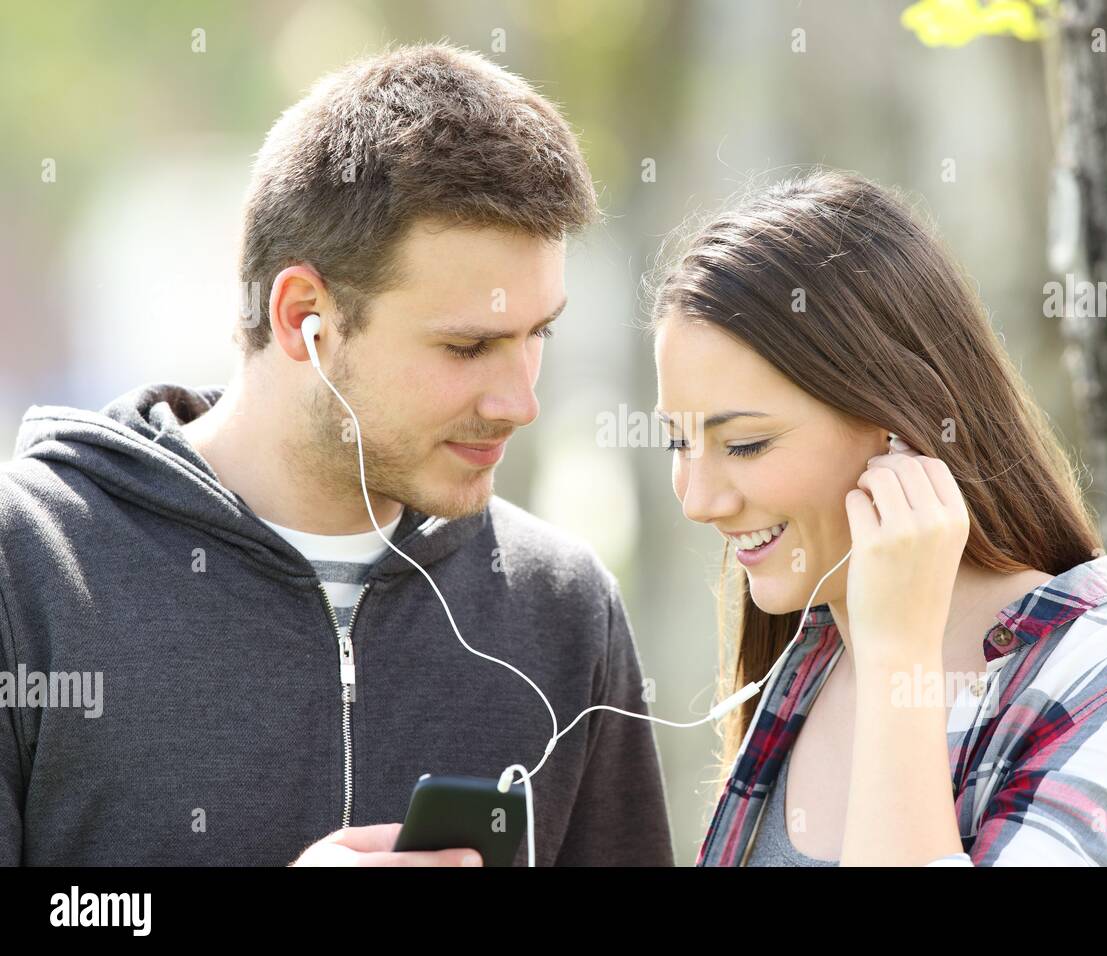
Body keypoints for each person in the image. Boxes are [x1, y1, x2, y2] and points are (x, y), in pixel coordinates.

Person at [0, 42, 673, 867]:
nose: (520, 403)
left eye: (538, 334)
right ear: (302, 316)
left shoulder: (563, 608)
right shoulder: (27, 567)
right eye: (468, 346)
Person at [648, 168, 1107, 866]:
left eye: (744, 444)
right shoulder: (806, 660)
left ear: (898, 429)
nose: (696, 499)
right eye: (678, 442)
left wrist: (899, 657)